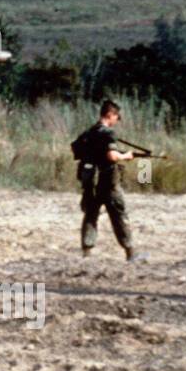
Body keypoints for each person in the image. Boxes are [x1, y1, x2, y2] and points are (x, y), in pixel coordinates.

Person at [72, 99, 141, 261]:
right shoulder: (107, 133)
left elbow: (77, 150)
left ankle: (87, 252)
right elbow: (111, 155)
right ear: (110, 115)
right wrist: (125, 156)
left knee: (91, 215)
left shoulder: (88, 133)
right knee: (118, 215)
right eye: (116, 117)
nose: (116, 121)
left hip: (91, 181)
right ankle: (130, 252)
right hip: (108, 181)